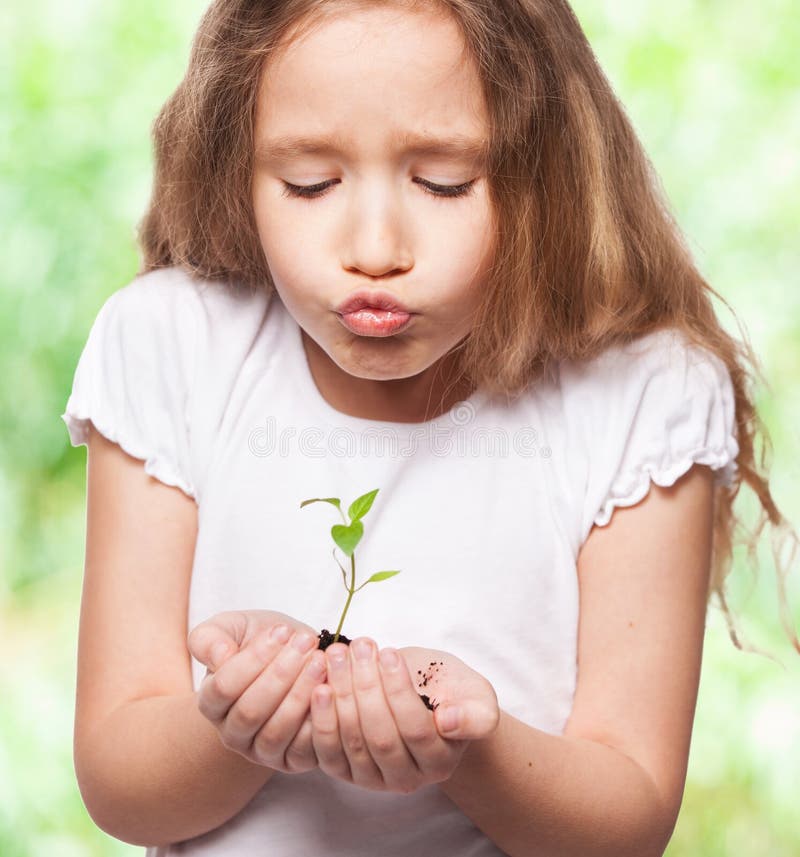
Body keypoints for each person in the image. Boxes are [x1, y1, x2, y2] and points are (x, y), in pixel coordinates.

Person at [60, 1, 798, 855]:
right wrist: (236, 723)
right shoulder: (170, 346)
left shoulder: (643, 391)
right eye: (309, 183)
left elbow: (626, 819)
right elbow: (121, 785)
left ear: (547, 171)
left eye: (443, 182)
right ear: (237, 162)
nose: (374, 247)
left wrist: (472, 748)